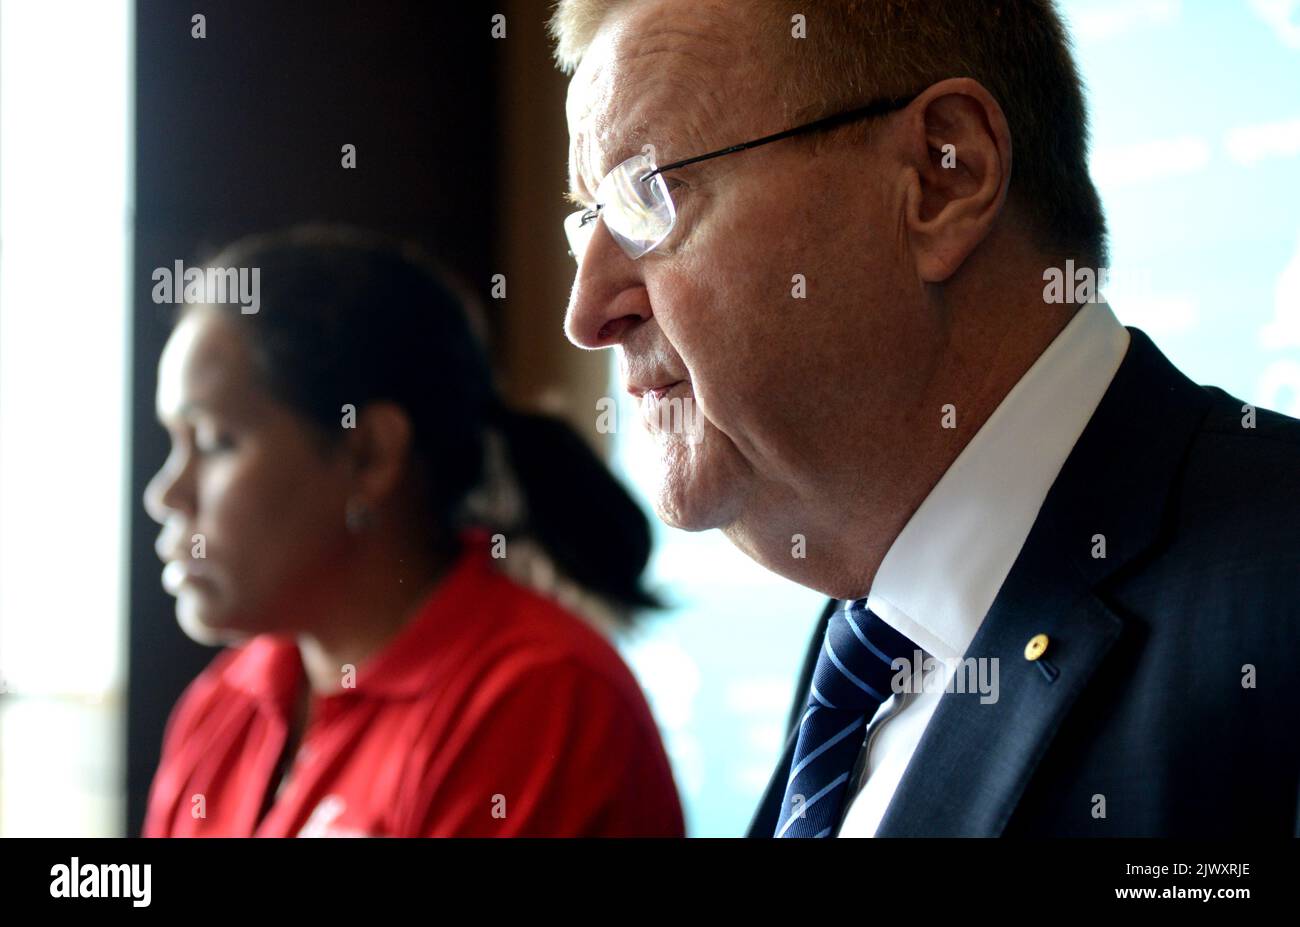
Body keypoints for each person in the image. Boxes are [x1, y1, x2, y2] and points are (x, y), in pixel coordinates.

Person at [549, 0, 1300, 837]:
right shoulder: (867, 641)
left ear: (945, 176)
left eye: (648, 195)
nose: (586, 313)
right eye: (591, 219)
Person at [141, 224, 684, 837]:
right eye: (175, 443)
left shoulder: (536, 703)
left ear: (369, 454)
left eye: (215, 442)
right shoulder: (225, 703)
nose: (166, 494)